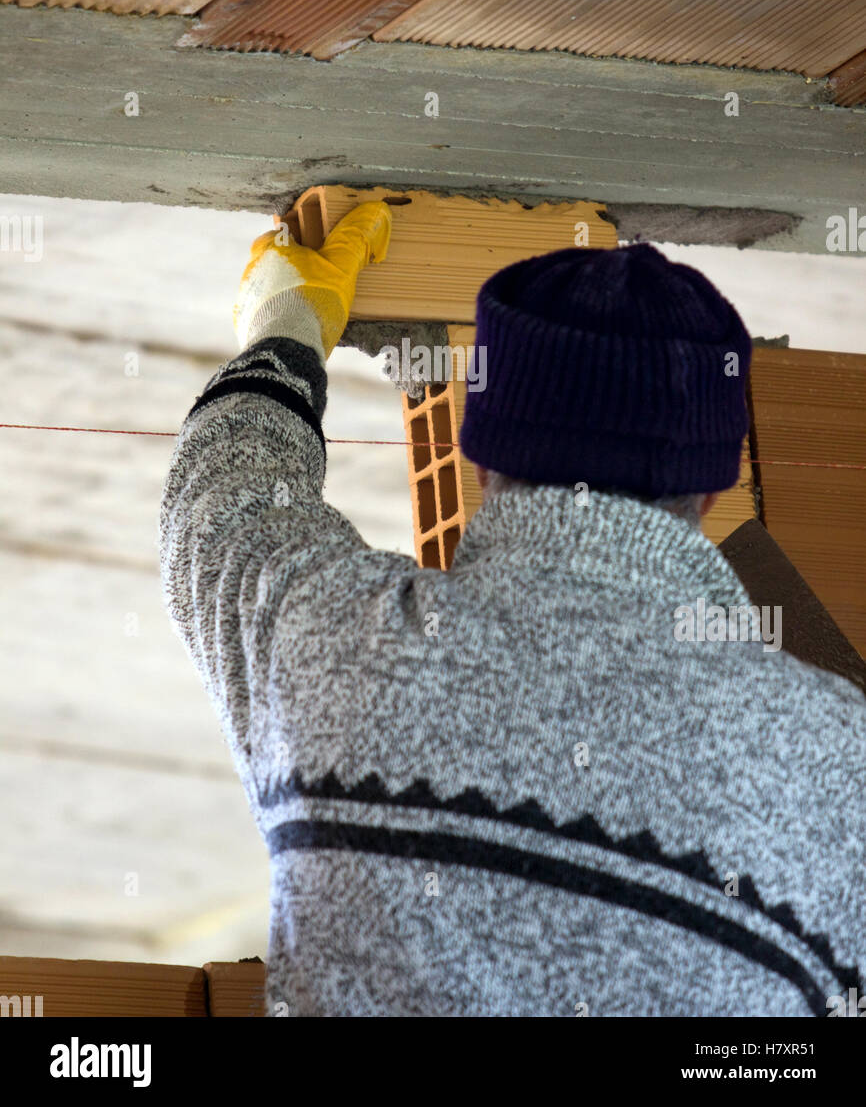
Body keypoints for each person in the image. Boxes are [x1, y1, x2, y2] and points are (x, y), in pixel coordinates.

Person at [160, 201, 864, 1017]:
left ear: (478, 443)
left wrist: (287, 328)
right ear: (712, 488)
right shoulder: (837, 761)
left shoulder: (334, 650)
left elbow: (222, 509)